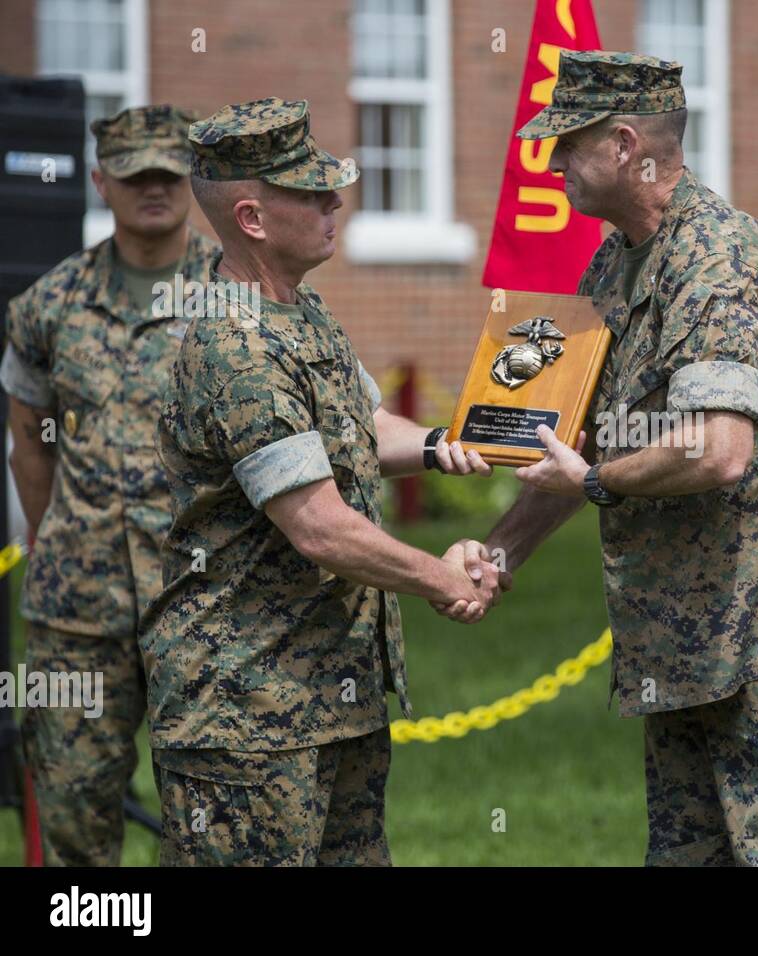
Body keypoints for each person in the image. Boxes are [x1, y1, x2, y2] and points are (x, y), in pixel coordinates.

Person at [479, 51, 758, 866]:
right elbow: (578, 441)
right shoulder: (617, 262)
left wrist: (593, 481)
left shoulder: (716, 259)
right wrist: (498, 553)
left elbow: (717, 449)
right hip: (685, 649)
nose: (552, 162)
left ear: (626, 145)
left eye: (569, 144)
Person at [139, 97, 503, 866]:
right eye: (311, 191)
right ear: (254, 218)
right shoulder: (235, 345)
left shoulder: (300, 314)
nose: (334, 201)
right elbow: (320, 527)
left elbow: (357, 426)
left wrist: (441, 445)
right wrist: (440, 577)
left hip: (330, 698)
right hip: (246, 716)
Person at [2, 105, 219, 865]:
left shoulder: (238, 297)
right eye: (134, 175)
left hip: (203, 605)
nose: (152, 189)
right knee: (73, 812)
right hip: (77, 616)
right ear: (101, 180)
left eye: (167, 173)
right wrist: (59, 537)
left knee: (212, 821)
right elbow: (29, 438)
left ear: (190, 178)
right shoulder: (49, 306)